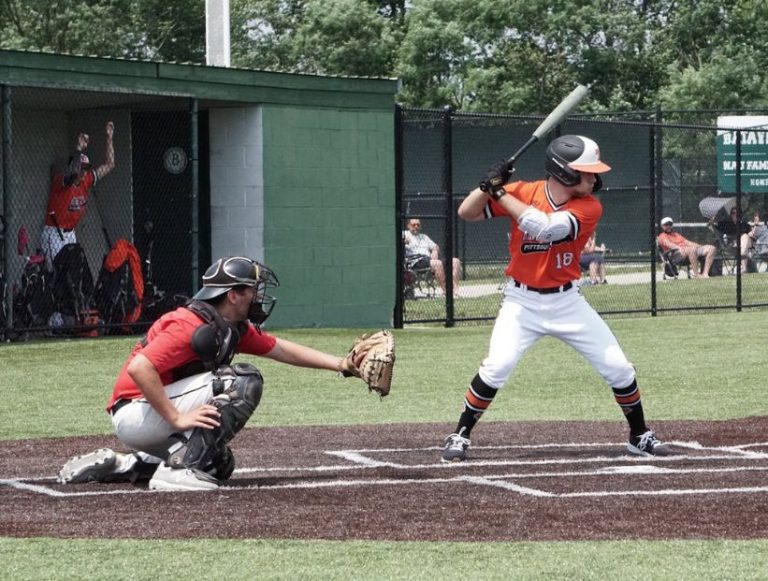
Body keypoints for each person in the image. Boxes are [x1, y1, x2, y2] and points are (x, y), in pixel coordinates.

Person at [440, 134, 670, 463]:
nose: (595, 179)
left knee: (619, 367)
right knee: (496, 367)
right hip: (521, 302)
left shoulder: (589, 206)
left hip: (567, 302)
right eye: (588, 173)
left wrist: (499, 191)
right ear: (565, 172)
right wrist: (486, 185)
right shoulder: (523, 192)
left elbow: (546, 228)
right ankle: (460, 433)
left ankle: (639, 435)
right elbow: (466, 212)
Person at [57, 256, 368, 491]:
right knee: (243, 380)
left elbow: (281, 349)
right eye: (252, 290)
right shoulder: (189, 324)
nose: (257, 296)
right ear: (232, 295)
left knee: (219, 463)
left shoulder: (229, 326)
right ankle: (178, 470)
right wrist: (177, 418)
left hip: (151, 414)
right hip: (136, 411)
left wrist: (342, 364)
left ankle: (131, 464)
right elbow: (139, 368)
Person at [41, 122, 115, 270]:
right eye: (81, 168)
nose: (83, 172)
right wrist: (79, 148)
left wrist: (109, 138)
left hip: (71, 234)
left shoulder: (86, 181)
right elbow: (71, 174)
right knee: (57, 273)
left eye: (86, 168)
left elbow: (110, 164)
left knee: (72, 273)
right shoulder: (61, 181)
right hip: (54, 233)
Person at [403, 218, 461, 296]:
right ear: (408, 226)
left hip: (430, 259)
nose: (416, 227)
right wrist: (403, 239)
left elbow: (435, 246)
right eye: (413, 225)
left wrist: (435, 251)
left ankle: (455, 289)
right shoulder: (405, 233)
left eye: (418, 225)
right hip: (416, 261)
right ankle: (446, 290)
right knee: (437, 264)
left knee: (455, 261)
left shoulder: (424, 236)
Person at [714, 208, 759, 274]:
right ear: (731, 215)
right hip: (732, 246)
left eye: (737, 213)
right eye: (733, 213)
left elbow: (752, 235)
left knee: (745, 237)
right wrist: (712, 222)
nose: (735, 215)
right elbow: (715, 229)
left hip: (744, 246)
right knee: (745, 238)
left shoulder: (744, 224)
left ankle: (744, 267)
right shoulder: (725, 224)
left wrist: (756, 224)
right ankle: (744, 266)